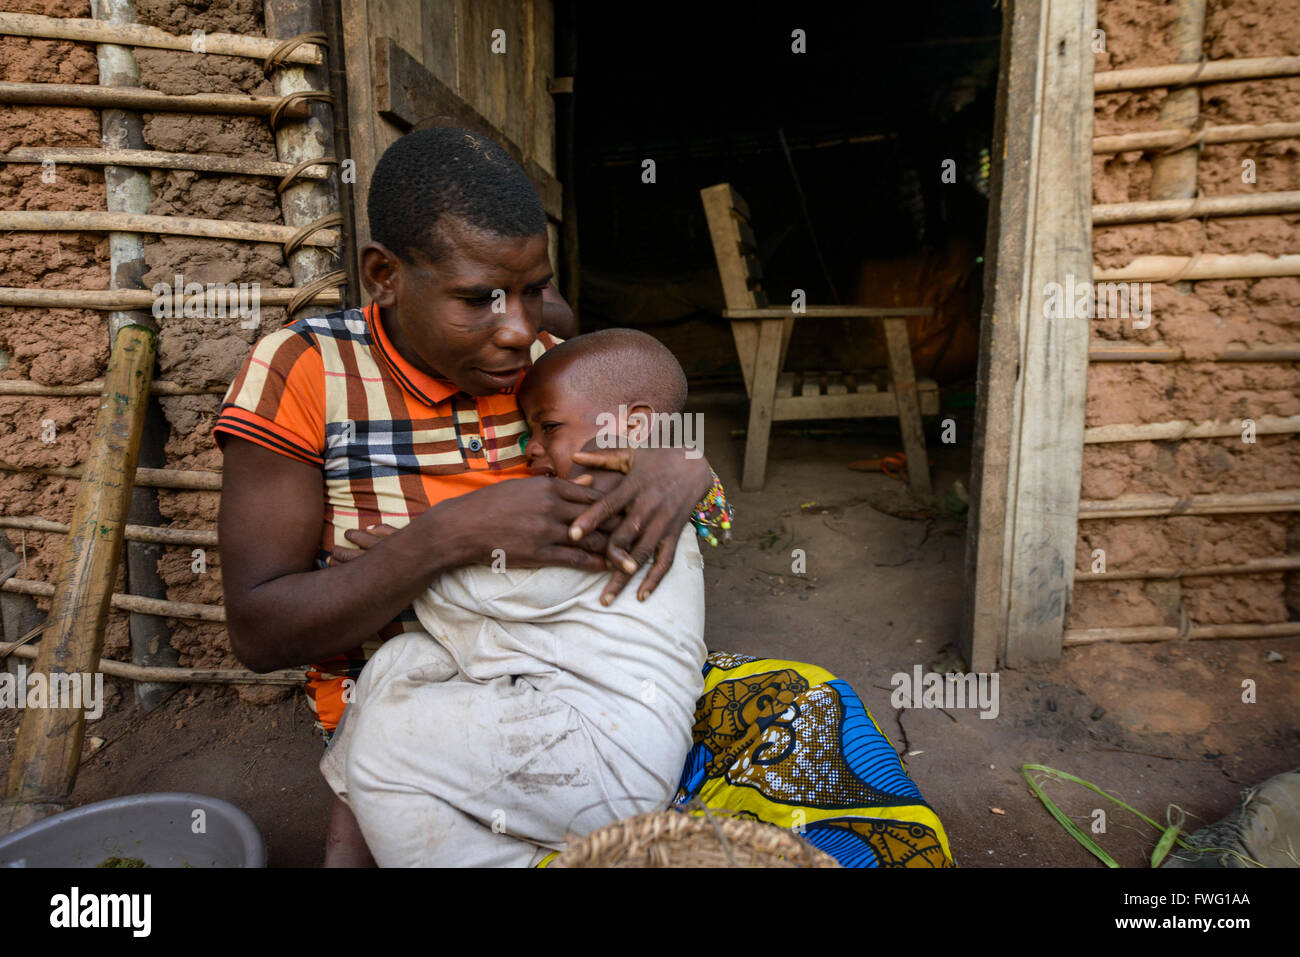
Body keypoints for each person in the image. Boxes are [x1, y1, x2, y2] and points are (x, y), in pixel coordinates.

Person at [215, 127, 715, 865]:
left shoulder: (548, 364)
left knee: (810, 702)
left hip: (579, 674)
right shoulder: (306, 371)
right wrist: (446, 535)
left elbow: (648, 423)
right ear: (383, 275)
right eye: (479, 299)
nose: (518, 329)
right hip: (416, 693)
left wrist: (684, 457)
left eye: (534, 290)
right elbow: (258, 632)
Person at [320, 329, 715, 866]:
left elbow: (495, 595)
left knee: (392, 739)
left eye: (548, 428)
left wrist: (402, 555)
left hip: (606, 763)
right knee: (400, 659)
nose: (532, 450)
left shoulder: (619, 518)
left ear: (634, 427)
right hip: (563, 726)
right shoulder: (642, 495)